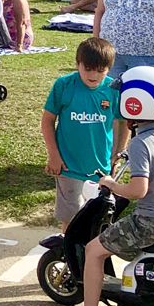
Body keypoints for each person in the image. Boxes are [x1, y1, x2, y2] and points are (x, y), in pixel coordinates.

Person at [59, 69, 154, 306]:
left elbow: (138, 190)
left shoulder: (141, 143)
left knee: (94, 250)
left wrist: (111, 184)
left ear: (136, 103)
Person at [41, 38, 122, 231]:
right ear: (77, 64)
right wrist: (53, 155)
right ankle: (70, 256)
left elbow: (122, 122)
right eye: (87, 68)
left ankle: (91, 257)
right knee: (72, 220)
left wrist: (118, 152)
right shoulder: (64, 85)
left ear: (109, 68)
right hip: (69, 167)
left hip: (101, 169)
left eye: (100, 70)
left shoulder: (114, 89)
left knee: (98, 217)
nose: (93, 75)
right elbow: (47, 120)